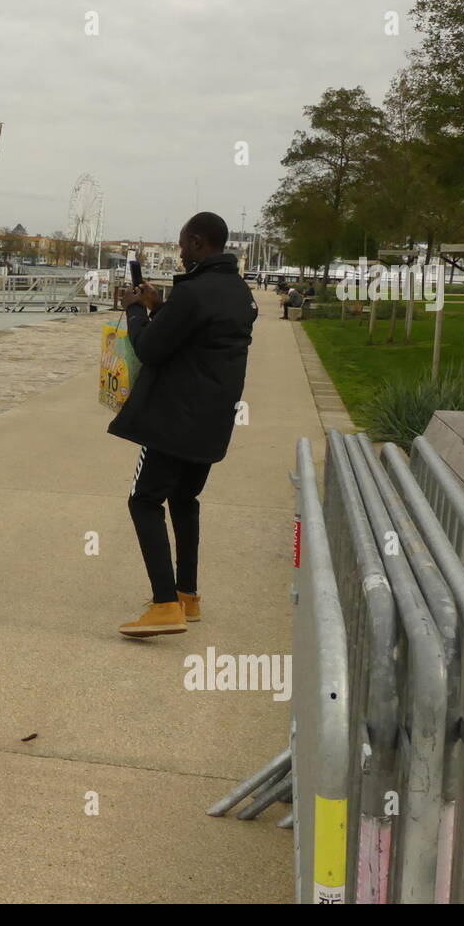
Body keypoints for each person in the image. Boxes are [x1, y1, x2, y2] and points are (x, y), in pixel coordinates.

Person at [109, 211, 258, 637]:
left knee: (144, 500)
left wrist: (137, 310)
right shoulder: (238, 292)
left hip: (175, 418)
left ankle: (164, 604)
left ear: (196, 242)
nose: (179, 252)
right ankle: (187, 595)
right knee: (184, 499)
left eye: (181, 244)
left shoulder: (195, 293)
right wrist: (161, 307)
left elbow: (151, 350)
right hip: (212, 419)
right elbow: (199, 338)